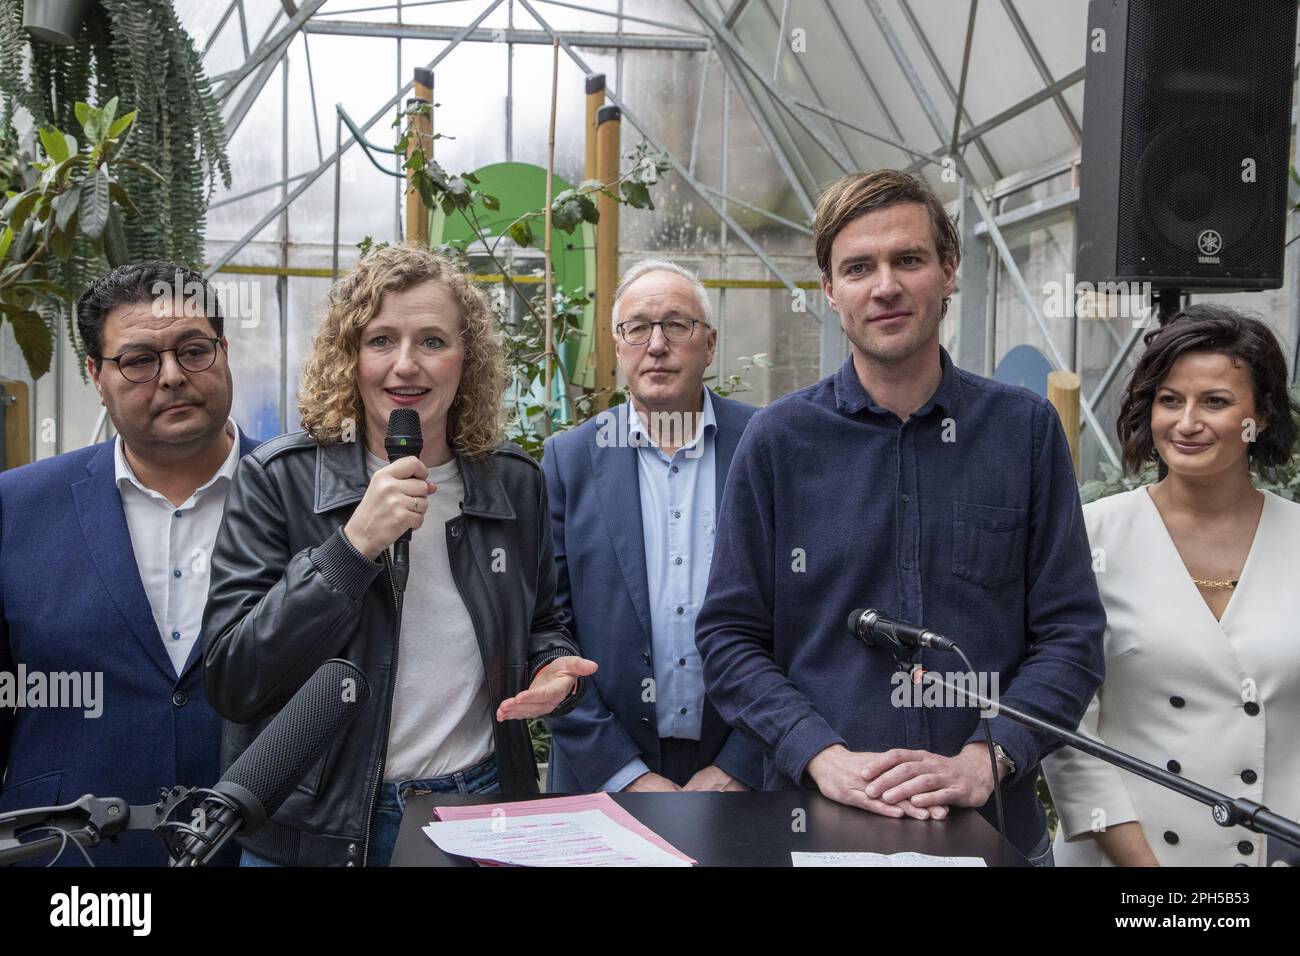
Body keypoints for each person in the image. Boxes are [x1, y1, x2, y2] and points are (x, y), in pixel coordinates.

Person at [694, 169, 1106, 865]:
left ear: (949, 272)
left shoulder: (1023, 432)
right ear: (829, 291)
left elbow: (1072, 633)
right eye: (858, 267)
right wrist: (819, 754)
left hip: (995, 828)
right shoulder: (779, 442)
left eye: (907, 260)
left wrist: (992, 753)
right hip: (816, 829)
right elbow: (730, 636)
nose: (884, 286)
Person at [202, 243, 594, 867]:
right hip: (316, 830)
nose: (406, 366)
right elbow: (233, 678)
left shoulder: (514, 482)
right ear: (349, 357)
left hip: (476, 808)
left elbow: (543, 622)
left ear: (467, 359)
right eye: (381, 340)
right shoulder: (279, 479)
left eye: (432, 341)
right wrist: (351, 548)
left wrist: (553, 669)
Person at [0, 262, 256, 866]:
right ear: (95, 375)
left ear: (224, 351)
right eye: (139, 360)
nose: (171, 377)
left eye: (193, 350)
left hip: (262, 849)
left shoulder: (309, 498)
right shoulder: (16, 509)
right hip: (68, 860)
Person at [1043, 306, 1300, 866]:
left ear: (1261, 415)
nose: (1187, 423)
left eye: (1216, 401)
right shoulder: (1091, 536)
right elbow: (1066, 723)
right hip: (1125, 859)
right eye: (1169, 400)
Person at [542, 260, 764, 794]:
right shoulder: (568, 461)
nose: (656, 344)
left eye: (676, 324)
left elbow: (806, 621)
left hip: (746, 773)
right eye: (637, 327)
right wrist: (623, 775)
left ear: (709, 345)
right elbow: (546, 631)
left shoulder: (766, 444)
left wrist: (743, 762)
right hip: (602, 777)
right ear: (618, 348)